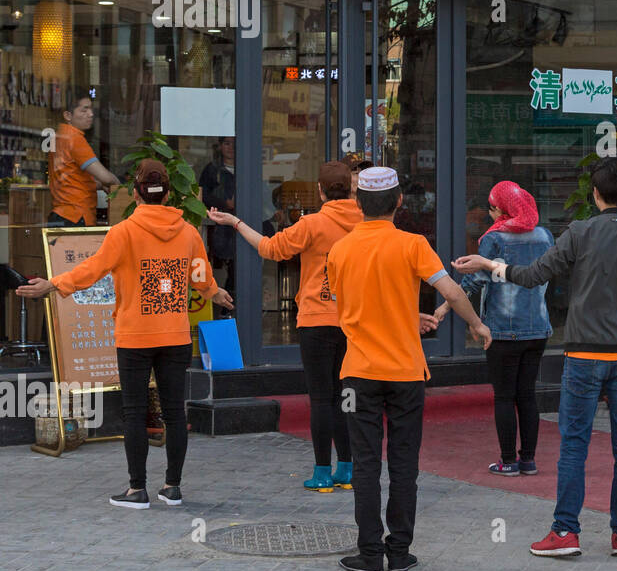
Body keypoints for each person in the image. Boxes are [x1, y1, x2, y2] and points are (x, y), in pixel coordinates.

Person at [456, 158, 617, 559]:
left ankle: (566, 532)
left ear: (596, 193)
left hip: (584, 357)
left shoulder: (580, 232)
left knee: (574, 446)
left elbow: (532, 276)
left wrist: (490, 265)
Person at [18, 160, 233, 508]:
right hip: (175, 334)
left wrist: (53, 284)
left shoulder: (124, 232)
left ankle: (137, 490)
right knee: (175, 412)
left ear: (135, 194)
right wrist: (214, 292)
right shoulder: (188, 231)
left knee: (134, 412)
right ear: (168, 194)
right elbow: (199, 275)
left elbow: (92, 269)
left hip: (135, 335)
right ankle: (173, 487)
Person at [327, 167, 491, 571]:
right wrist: (476, 323)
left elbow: (348, 306)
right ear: (400, 201)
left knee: (365, 464)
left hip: (357, 374)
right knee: (404, 463)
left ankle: (369, 554)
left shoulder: (340, 250)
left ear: (358, 203)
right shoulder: (414, 245)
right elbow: (451, 291)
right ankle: (398, 552)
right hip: (406, 373)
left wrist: (397, 313)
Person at [207, 161, 362, 491]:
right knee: (344, 396)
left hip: (317, 320)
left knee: (321, 398)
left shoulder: (313, 224)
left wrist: (234, 222)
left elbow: (269, 248)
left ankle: (322, 472)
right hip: (355, 321)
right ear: (351, 189)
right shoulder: (366, 222)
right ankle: (347, 468)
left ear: (320, 191)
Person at [433, 181, 554, 477]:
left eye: (491, 207)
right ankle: (528, 460)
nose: (490, 213)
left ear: (500, 209)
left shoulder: (494, 239)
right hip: (538, 327)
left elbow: (477, 280)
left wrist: (447, 305)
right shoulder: (545, 236)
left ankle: (508, 461)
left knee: (503, 396)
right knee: (526, 394)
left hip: (502, 330)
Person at [48, 91, 120, 227]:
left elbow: (71, 176)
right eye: (84, 110)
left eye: (91, 109)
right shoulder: (75, 139)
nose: (91, 114)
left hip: (60, 213)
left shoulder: (58, 137)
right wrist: (120, 186)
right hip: (76, 215)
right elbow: (106, 177)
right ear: (68, 115)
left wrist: (97, 184)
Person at [199, 137, 237, 304]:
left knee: (239, 267)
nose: (231, 147)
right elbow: (203, 195)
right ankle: (225, 306)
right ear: (220, 146)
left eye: (234, 143)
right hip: (219, 225)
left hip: (243, 223)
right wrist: (223, 203)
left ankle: (231, 305)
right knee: (223, 265)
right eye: (227, 143)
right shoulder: (212, 169)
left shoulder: (247, 166)